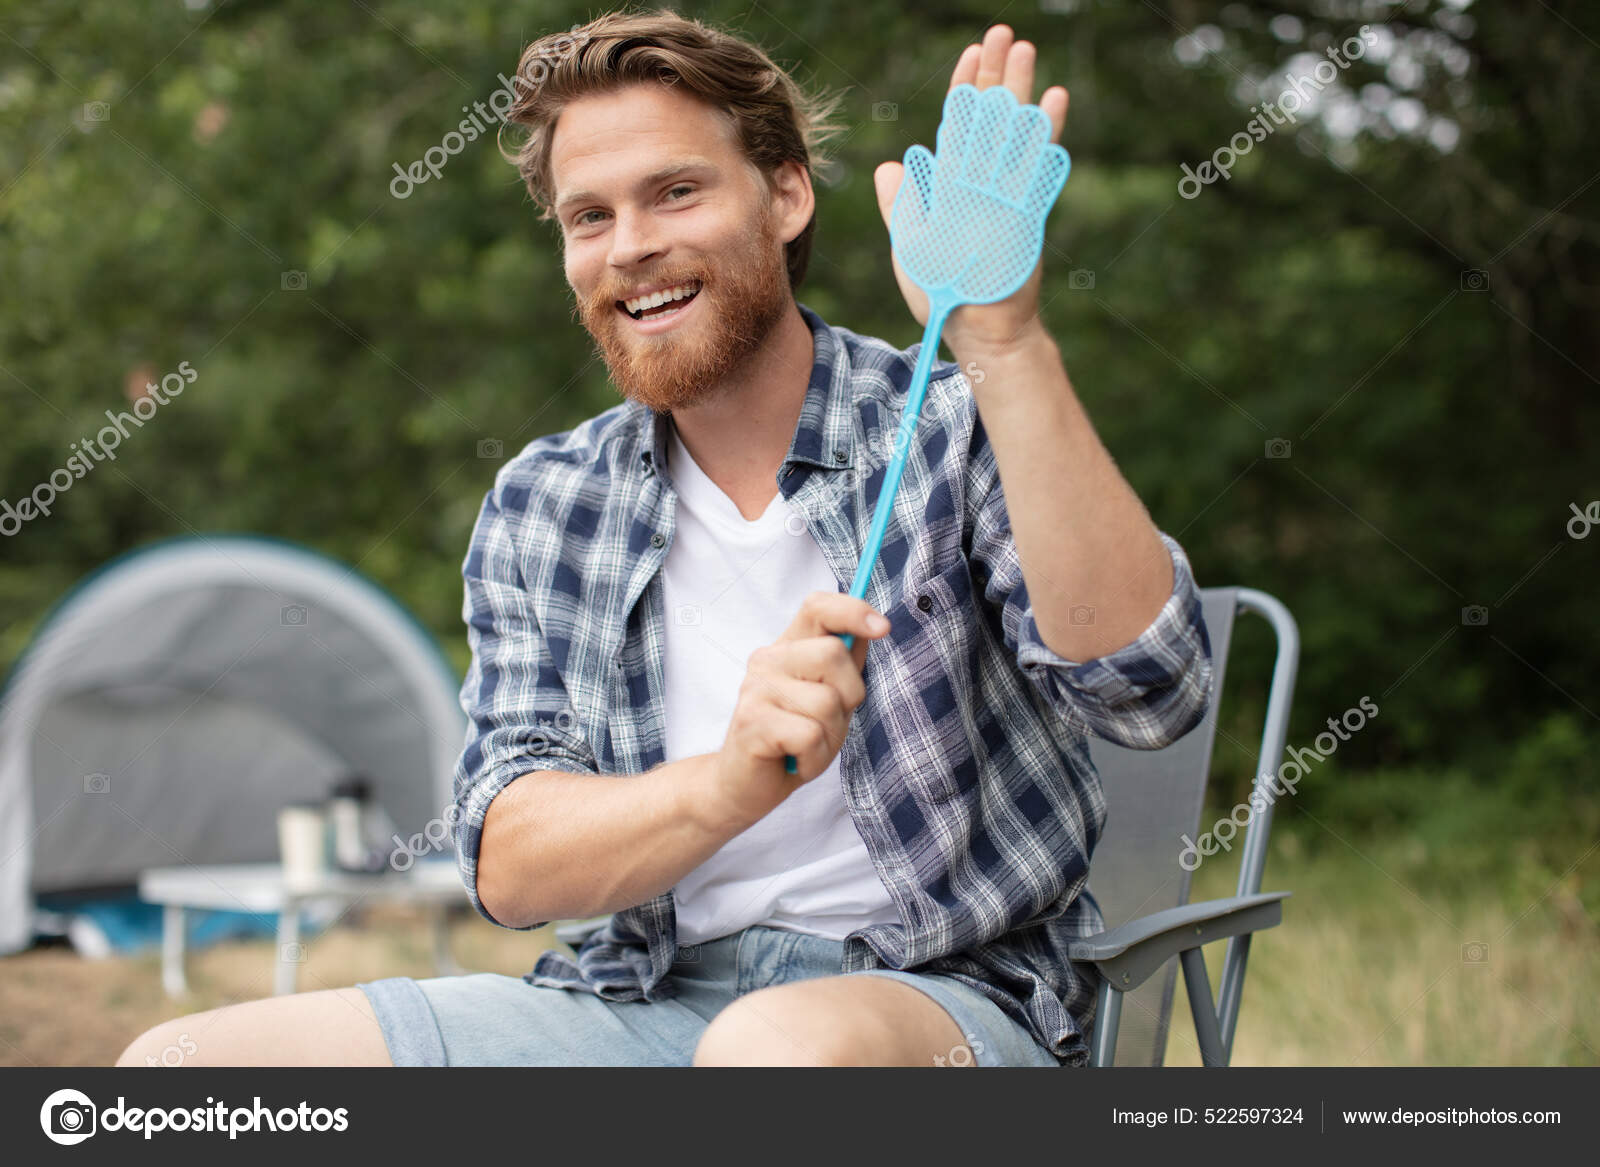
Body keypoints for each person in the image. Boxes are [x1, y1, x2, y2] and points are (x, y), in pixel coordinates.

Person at [117, 9, 1210, 1069]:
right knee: (182, 1068)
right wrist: (726, 782)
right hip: (639, 1000)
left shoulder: (952, 426)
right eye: (589, 217)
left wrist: (1003, 348)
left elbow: (1150, 692)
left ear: (786, 195)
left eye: (676, 192)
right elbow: (507, 864)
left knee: (768, 1056)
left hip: (946, 1004)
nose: (632, 246)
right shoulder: (545, 501)